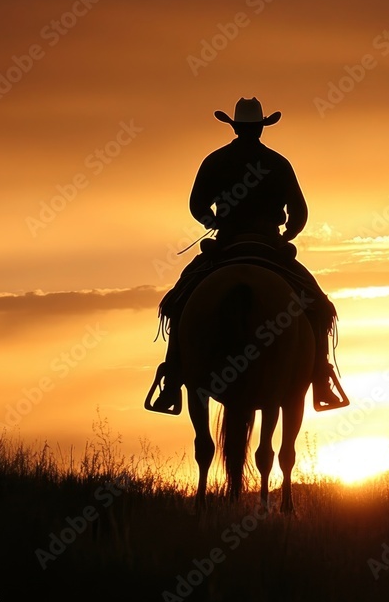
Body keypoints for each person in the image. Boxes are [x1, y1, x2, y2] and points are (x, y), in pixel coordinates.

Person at [146, 97, 348, 413]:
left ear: (236, 127)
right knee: (319, 305)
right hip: (269, 243)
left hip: (226, 243)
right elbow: (299, 212)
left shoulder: (215, 160)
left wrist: (213, 222)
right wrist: (287, 235)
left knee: (177, 301)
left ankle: (172, 379)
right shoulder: (279, 163)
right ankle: (321, 377)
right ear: (261, 128)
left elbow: (197, 204)